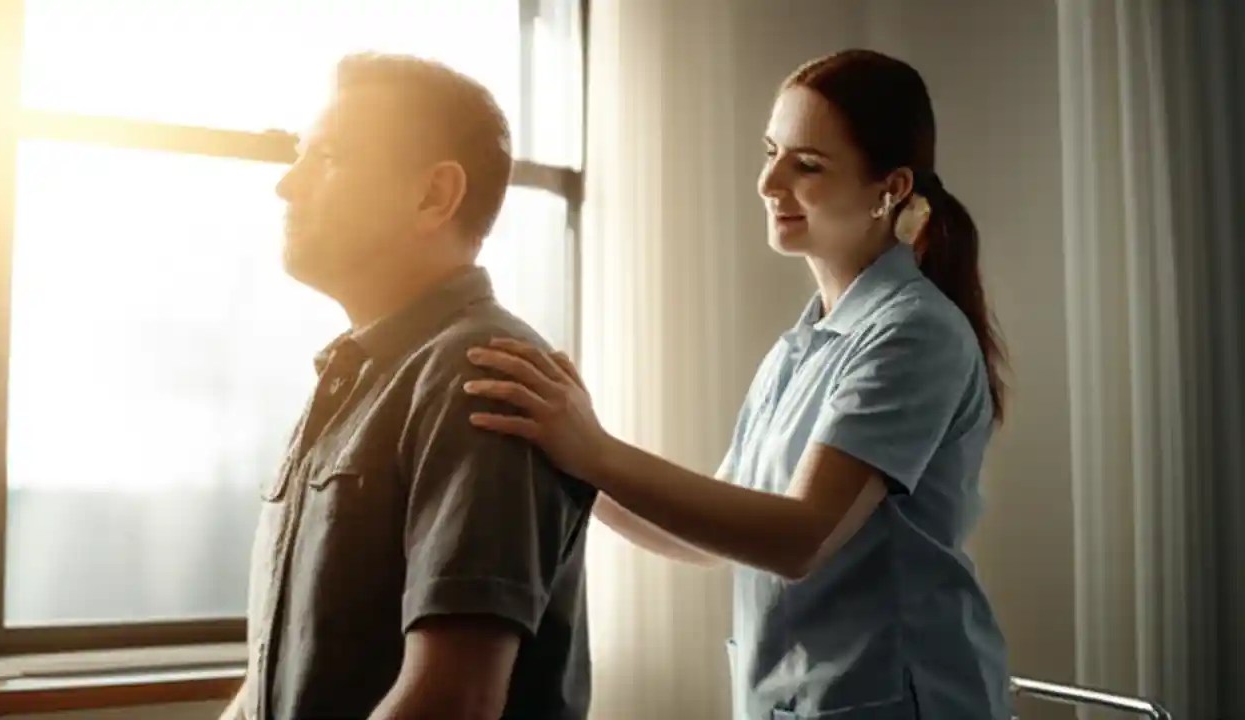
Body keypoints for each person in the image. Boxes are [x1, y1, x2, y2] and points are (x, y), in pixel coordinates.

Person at [463, 49, 1011, 719]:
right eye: (771, 151)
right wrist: (567, 456)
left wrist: (594, 450)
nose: (768, 182)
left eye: (806, 165)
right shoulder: (804, 344)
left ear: (890, 188)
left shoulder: (915, 333)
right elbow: (702, 533)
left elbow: (796, 538)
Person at [219, 53, 597, 720]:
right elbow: (277, 676)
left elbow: (451, 699)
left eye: (327, 156)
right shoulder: (352, 375)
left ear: (434, 196)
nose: (288, 185)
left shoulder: (479, 377)